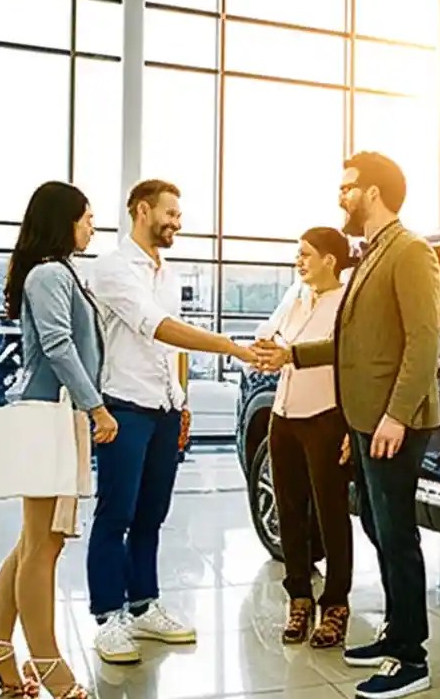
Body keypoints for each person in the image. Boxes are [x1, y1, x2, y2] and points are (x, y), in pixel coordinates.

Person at [262, 152, 440, 699]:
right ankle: (395, 634)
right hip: (366, 420)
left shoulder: (411, 251)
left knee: (396, 535)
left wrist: (395, 415)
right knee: (377, 530)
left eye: (347, 187)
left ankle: (412, 659)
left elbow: (424, 342)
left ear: (374, 192)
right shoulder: (371, 254)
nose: (340, 196)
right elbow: (355, 345)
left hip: (393, 420)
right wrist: (292, 355)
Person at [86, 179, 262, 664]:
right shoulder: (113, 269)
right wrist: (230, 346)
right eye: (170, 213)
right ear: (141, 211)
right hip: (124, 405)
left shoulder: (167, 273)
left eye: (179, 215)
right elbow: (158, 327)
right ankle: (108, 617)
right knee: (115, 514)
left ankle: (143, 607)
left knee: (152, 516)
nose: (177, 223)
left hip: (164, 410)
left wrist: (181, 405)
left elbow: (173, 347)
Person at [0, 180, 115, 699]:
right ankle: (51, 668)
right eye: (87, 218)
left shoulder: (57, 272)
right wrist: (95, 406)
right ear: (64, 220)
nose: (92, 226)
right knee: (43, 546)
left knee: (34, 541)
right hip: (51, 413)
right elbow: (56, 343)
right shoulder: (51, 273)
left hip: (57, 413)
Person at [253, 227, 355, 648]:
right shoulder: (296, 295)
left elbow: (349, 359)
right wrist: (264, 345)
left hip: (326, 416)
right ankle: (299, 596)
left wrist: (350, 423)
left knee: (331, 512)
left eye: (307, 254)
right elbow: (272, 331)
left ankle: (336, 604)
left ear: (330, 259)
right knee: (289, 508)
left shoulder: (346, 301)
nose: (299, 261)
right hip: (285, 415)